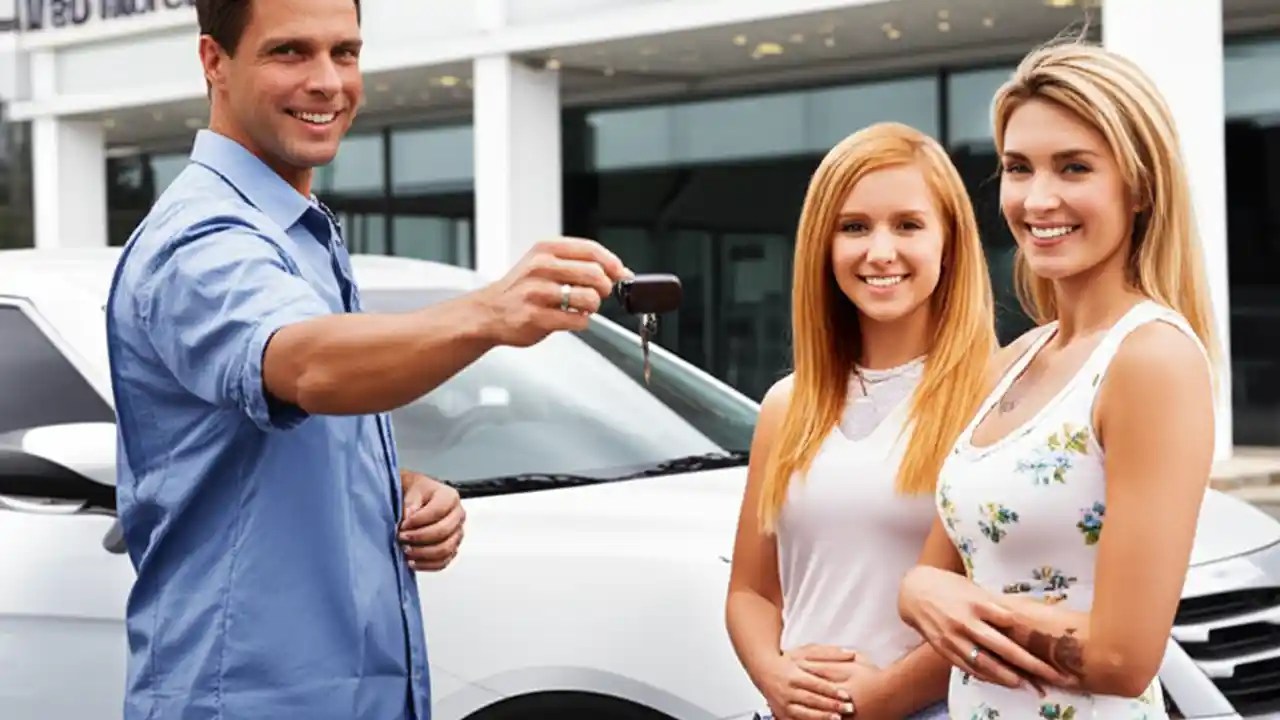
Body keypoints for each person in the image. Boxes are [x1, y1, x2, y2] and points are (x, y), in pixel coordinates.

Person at [104, 1, 629, 719]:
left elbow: (282, 427)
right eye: (290, 52)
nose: (328, 81)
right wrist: (489, 312)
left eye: (345, 53)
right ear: (213, 62)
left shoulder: (293, 232)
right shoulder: (201, 239)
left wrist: (392, 484)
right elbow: (307, 367)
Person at [896, 37, 1220, 720]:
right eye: (1019, 168)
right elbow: (932, 573)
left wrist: (942, 601)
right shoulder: (1010, 361)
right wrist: (920, 592)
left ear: (1138, 186)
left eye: (1074, 168)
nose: (1038, 199)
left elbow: (1125, 658)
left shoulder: (1151, 359)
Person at [724, 121, 999, 720]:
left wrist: (876, 699)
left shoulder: (997, 397)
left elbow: (998, 601)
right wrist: (774, 676)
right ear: (823, 245)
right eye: (854, 227)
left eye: (908, 225)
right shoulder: (786, 405)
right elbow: (751, 590)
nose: (880, 252)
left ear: (949, 241)